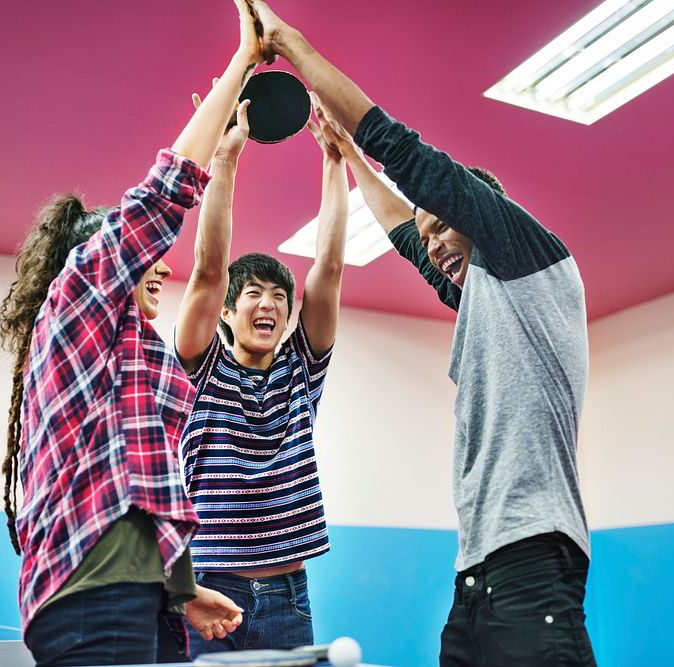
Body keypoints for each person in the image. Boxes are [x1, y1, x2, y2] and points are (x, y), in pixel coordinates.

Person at [253, 3, 597, 665]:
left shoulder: (531, 262)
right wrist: (346, 156)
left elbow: (410, 156)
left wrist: (294, 48)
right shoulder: (484, 303)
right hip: (477, 573)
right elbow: (408, 237)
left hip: (534, 560)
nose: (436, 244)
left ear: (483, 216)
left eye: (447, 225)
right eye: (433, 232)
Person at [0, 2, 267, 663]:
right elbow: (161, 199)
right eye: (144, 256)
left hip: (135, 598)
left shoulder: (134, 360)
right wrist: (240, 65)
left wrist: (179, 588)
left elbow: (137, 482)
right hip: (92, 597)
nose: (161, 264)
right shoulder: (80, 289)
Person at [173, 89, 348, 653]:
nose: (268, 304)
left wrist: (334, 161)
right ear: (228, 309)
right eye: (252, 293)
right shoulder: (202, 367)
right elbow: (205, 272)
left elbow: (329, 268)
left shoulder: (301, 369)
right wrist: (224, 160)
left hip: (289, 598)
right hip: (209, 594)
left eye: (279, 295)